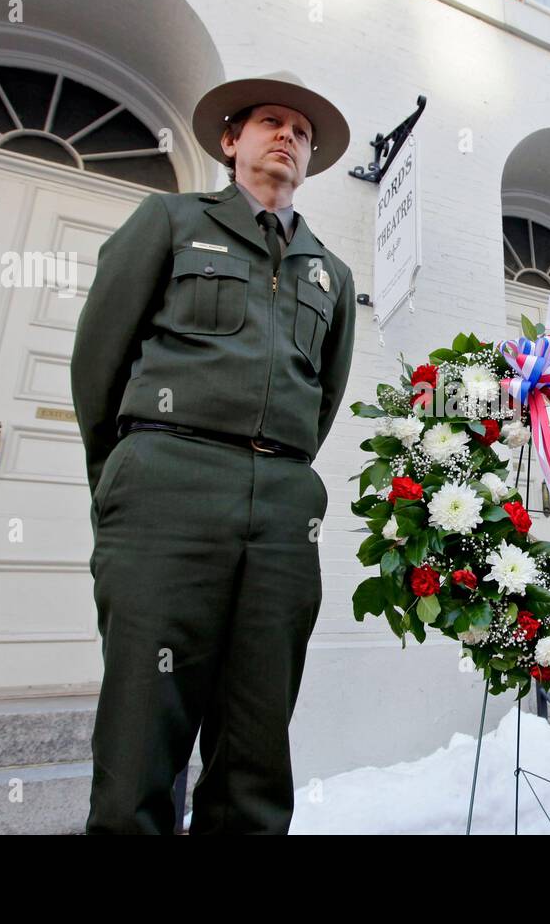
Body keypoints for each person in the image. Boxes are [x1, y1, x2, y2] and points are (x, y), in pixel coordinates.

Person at [70, 71, 356, 834]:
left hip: (283, 506)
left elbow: (321, 400)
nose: (287, 137)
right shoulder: (166, 221)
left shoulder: (330, 272)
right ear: (232, 141)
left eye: (302, 131)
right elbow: (98, 364)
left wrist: (275, 471)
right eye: (270, 122)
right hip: (168, 486)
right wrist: (126, 479)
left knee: (258, 741)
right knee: (142, 732)